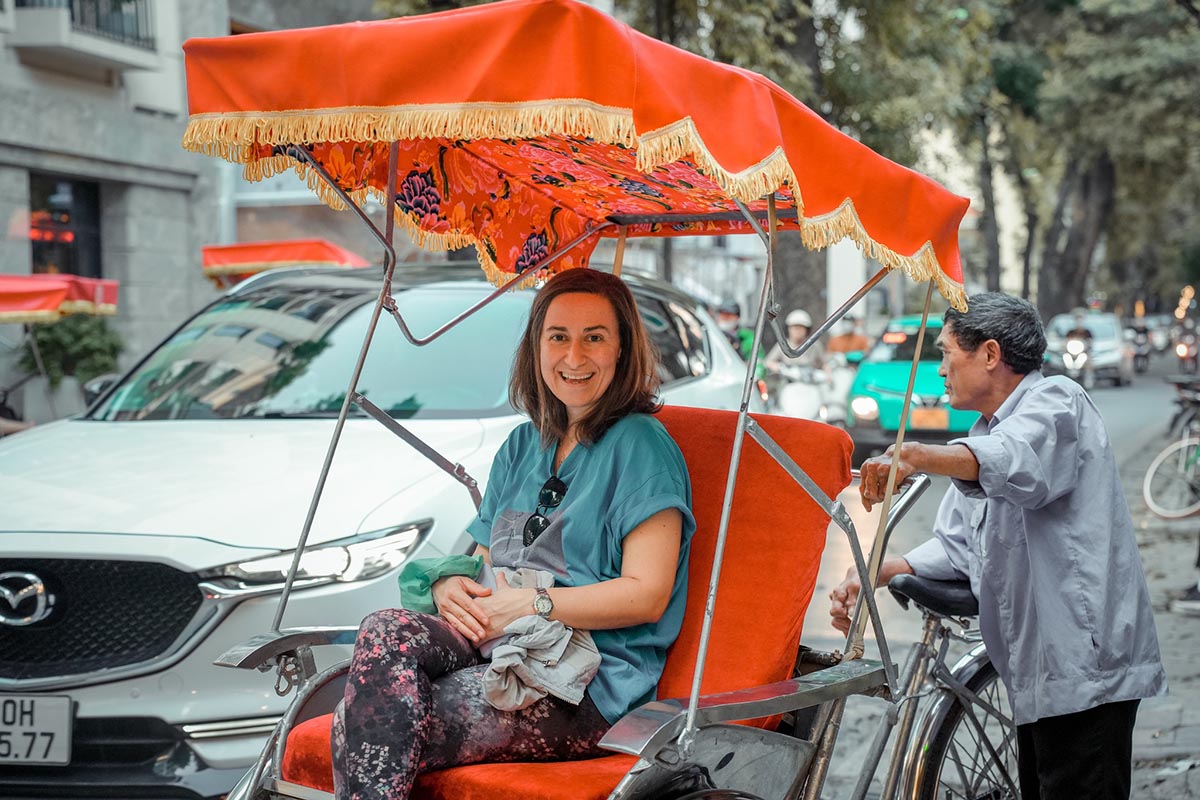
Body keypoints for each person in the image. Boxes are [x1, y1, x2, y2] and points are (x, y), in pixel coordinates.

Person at [332, 268, 696, 799]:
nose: (574, 357)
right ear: (536, 347)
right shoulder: (522, 445)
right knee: (386, 628)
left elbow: (647, 594)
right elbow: (482, 561)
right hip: (498, 641)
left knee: (364, 725)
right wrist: (447, 587)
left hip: (586, 679)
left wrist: (533, 605)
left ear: (621, 350)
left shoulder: (641, 446)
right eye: (559, 337)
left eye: (594, 337)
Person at [828, 292, 1166, 800]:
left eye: (946, 353)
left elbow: (1016, 461)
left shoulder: (1058, 402)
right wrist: (875, 571)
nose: (940, 370)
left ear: (989, 354)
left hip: (1084, 666)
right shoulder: (985, 431)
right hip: (1035, 667)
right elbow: (962, 546)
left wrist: (919, 454)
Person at [764, 309, 825, 374]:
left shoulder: (815, 345)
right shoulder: (783, 345)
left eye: (801, 328)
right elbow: (767, 362)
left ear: (807, 330)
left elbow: (824, 364)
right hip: (789, 381)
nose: (797, 331)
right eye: (795, 328)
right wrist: (778, 367)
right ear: (788, 329)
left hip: (810, 380)